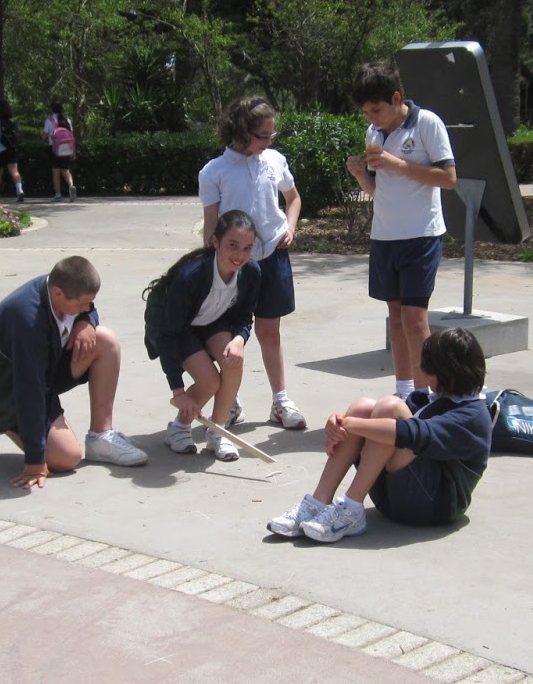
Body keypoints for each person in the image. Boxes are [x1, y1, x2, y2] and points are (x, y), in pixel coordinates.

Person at [267, 328, 490, 543]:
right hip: (396, 498)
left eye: (429, 370)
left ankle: (351, 508)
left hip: (435, 507)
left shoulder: (472, 416)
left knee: (390, 409)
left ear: (448, 373)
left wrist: (352, 425)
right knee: (363, 407)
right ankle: (318, 501)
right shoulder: (433, 399)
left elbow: (414, 434)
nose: (423, 374)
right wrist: (342, 421)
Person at [0, 255, 148, 488]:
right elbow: (28, 391)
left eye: (89, 303)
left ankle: (100, 437)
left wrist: (86, 321)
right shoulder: (26, 321)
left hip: (44, 371)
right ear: (58, 293)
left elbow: (88, 308)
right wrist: (35, 461)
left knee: (104, 340)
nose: (86, 308)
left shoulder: (65, 288)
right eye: (81, 305)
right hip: (3, 387)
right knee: (65, 459)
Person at [345, 61, 458, 398]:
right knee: (394, 319)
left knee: (415, 320)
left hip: (420, 235)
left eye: (376, 109)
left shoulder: (427, 123)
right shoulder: (373, 134)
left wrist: (397, 164)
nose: (371, 118)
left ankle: (427, 396)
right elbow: (380, 191)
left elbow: (449, 179)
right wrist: (361, 175)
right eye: (365, 112)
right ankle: (405, 391)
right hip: (384, 236)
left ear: (396, 98)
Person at [198, 95, 306, 430]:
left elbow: (293, 197)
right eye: (263, 135)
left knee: (269, 331)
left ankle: (280, 401)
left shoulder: (274, 160)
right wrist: (213, 267)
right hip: (234, 263)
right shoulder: (215, 171)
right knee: (229, 336)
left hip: (272, 255)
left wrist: (290, 226)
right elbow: (211, 225)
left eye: (272, 135)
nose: (269, 141)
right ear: (241, 131)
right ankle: (230, 403)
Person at [143, 210, 261, 461]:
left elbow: (244, 318)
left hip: (212, 320)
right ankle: (179, 428)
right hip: (176, 327)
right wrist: (179, 392)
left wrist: (239, 339)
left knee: (233, 360)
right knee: (209, 382)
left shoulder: (252, 272)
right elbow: (168, 335)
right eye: (233, 245)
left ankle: (218, 432)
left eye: (248, 248)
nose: (240, 255)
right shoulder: (191, 276)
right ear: (215, 242)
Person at [48, 111, 77, 202]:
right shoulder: (67, 120)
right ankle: (71, 186)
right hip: (67, 149)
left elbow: (44, 136)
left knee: (56, 171)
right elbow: (72, 136)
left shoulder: (49, 121)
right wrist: (73, 152)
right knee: (65, 170)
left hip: (55, 150)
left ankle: (58, 194)